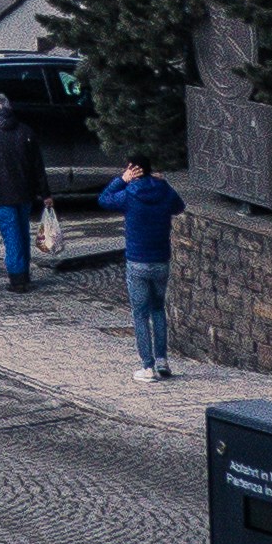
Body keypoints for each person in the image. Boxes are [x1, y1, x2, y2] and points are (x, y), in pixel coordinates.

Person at [98, 152, 184, 379]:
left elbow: (103, 199)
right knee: (158, 309)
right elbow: (179, 206)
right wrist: (161, 181)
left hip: (137, 261)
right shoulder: (164, 191)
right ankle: (163, 360)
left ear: (131, 169)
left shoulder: (128, 194)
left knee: (140, 313)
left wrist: (121, 180)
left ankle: (148, 366)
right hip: (160, 261)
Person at [0, 91, 49, 293]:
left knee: (11, 235)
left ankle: (17, 278)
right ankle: (24, 274)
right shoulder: (25, 132)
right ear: (10, 108)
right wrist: (46, 193)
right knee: (23, 232)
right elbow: (38, 166)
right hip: (25, 191)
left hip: (3, 194)